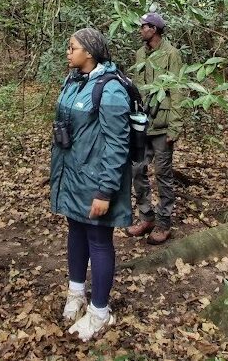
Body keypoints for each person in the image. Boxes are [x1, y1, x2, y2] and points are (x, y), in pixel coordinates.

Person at [50, 28, 132, 342]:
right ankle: (76, 293)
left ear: (90, 52)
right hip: (72, 178)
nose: (68, 52)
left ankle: (100, 311)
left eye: (73, 47)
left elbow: (117, 146)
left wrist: (105, 191)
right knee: (76, 231)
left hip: (96, 182)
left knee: (99, 239)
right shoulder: (74, 80)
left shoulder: (110, 90)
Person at [125, 12, 184, 245]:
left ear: (155, 29)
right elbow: (136, 88)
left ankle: (164, 222)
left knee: (163, 174)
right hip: (142, 125)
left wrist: (175, 127)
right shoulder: (140, 54)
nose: (141, 30)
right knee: (137, 170)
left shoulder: (172, 54)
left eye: (144, 27)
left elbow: (178, 91)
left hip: (162, 125)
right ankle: (146, 216)